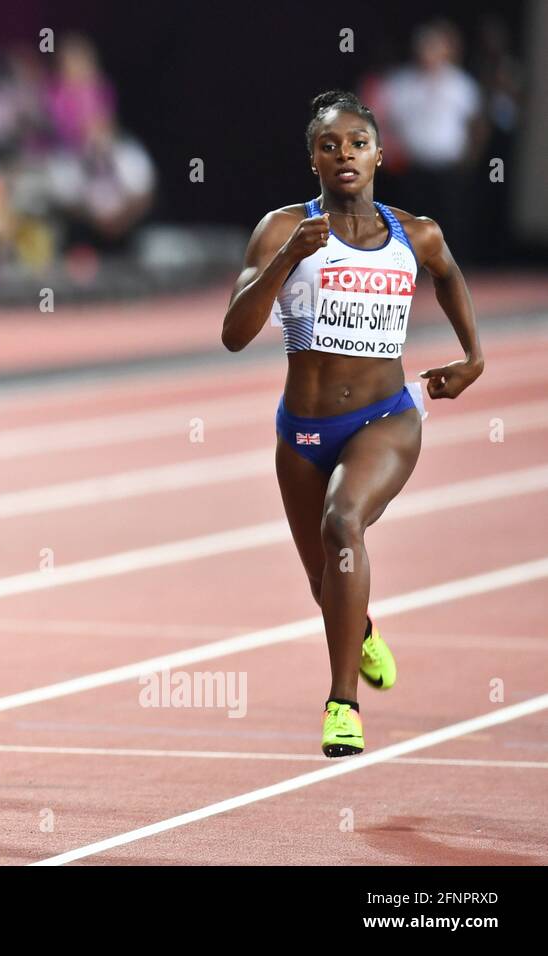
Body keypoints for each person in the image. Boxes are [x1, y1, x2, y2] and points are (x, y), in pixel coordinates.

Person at [221, 90, 484, 757]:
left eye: (357, 144)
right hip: (302, 434)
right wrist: (286, 262)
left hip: (385, 419)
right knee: (324, 582)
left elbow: (448, 274)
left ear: (378, 155)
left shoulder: (413, 232)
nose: (344, 155)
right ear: (312, 158)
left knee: (343, 524)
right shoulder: (282, 229)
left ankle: (343, 704)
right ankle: (359, 630)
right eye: (329, 145)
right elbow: (233, 334)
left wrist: (472, 358)